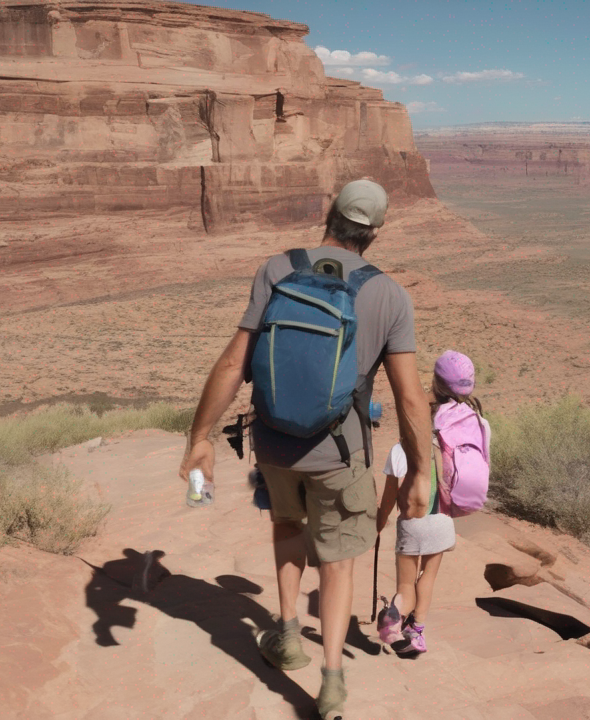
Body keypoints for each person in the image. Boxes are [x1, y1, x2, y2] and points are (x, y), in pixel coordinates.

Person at [179, 179, 432, 720]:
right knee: (338, 563)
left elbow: (232, 364)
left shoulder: (277, 268)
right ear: (376, 233)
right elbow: (411, 398)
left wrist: (200, 438)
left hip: (272, 446)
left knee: (286, 526)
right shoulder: (389, 295)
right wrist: (420, 471)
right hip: (341, 455)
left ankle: (288, 632)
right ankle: (332, 680)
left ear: (329, 214)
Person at [375, 350, 490, 655]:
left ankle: (392, 624)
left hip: (413, 522)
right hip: (443, 518)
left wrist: (379, 519)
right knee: (429, 577)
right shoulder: (463, 426)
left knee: (405, 586)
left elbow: (389, 495)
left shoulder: (402, 450)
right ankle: (418, 633)